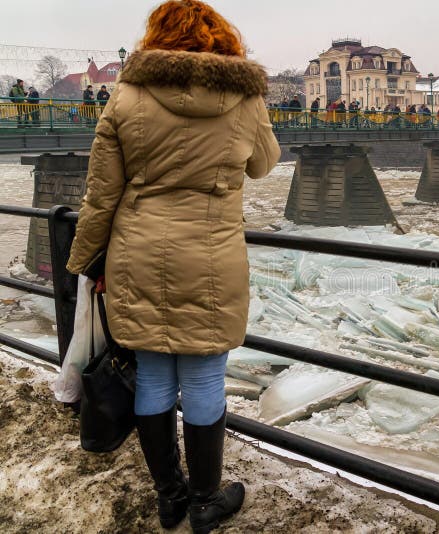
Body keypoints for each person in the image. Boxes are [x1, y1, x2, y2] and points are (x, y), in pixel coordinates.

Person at [65, 1, 281, 532]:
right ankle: (206, 502)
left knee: (155, 374)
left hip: (137, 252)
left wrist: (84, 260)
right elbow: (263, 164)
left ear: (157, 38)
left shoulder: (126, 96)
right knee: (205, 376)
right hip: (212, 254)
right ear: (223, 40)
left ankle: (170, 497)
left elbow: (101, 194)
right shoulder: (245, 97)